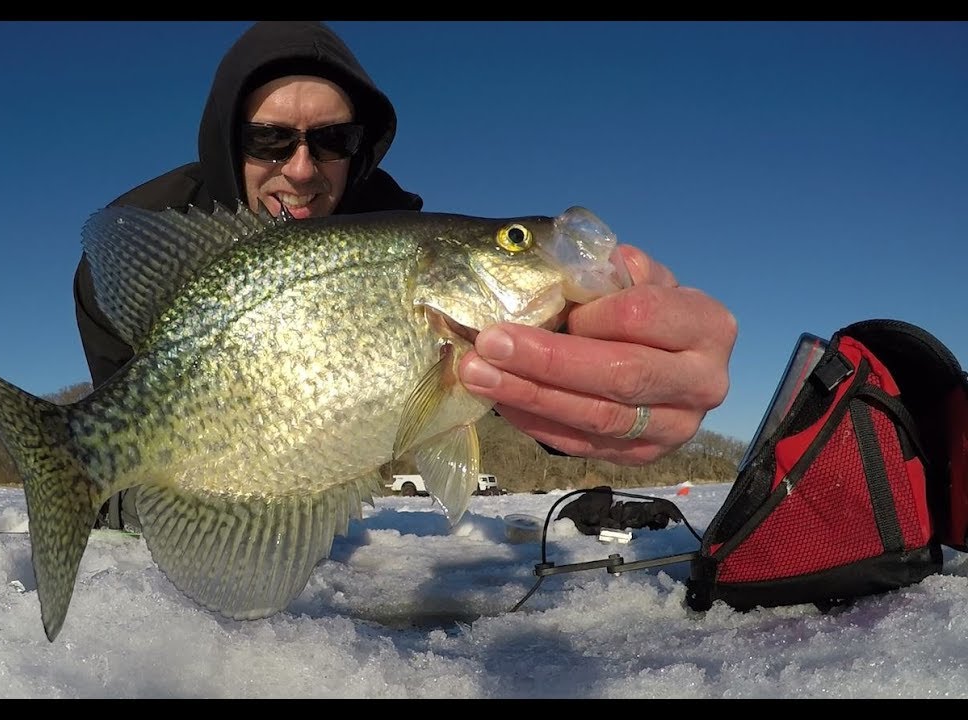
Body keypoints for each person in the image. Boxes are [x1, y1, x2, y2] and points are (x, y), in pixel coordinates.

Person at [74, 21, 736, 531]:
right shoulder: (145, 228)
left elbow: (487, 384)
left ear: (359, 147)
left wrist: (592, 376)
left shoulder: (396, 227)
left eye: (332, 141)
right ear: (227, 139)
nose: (301, 169)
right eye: (270, 140)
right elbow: (125, 413)